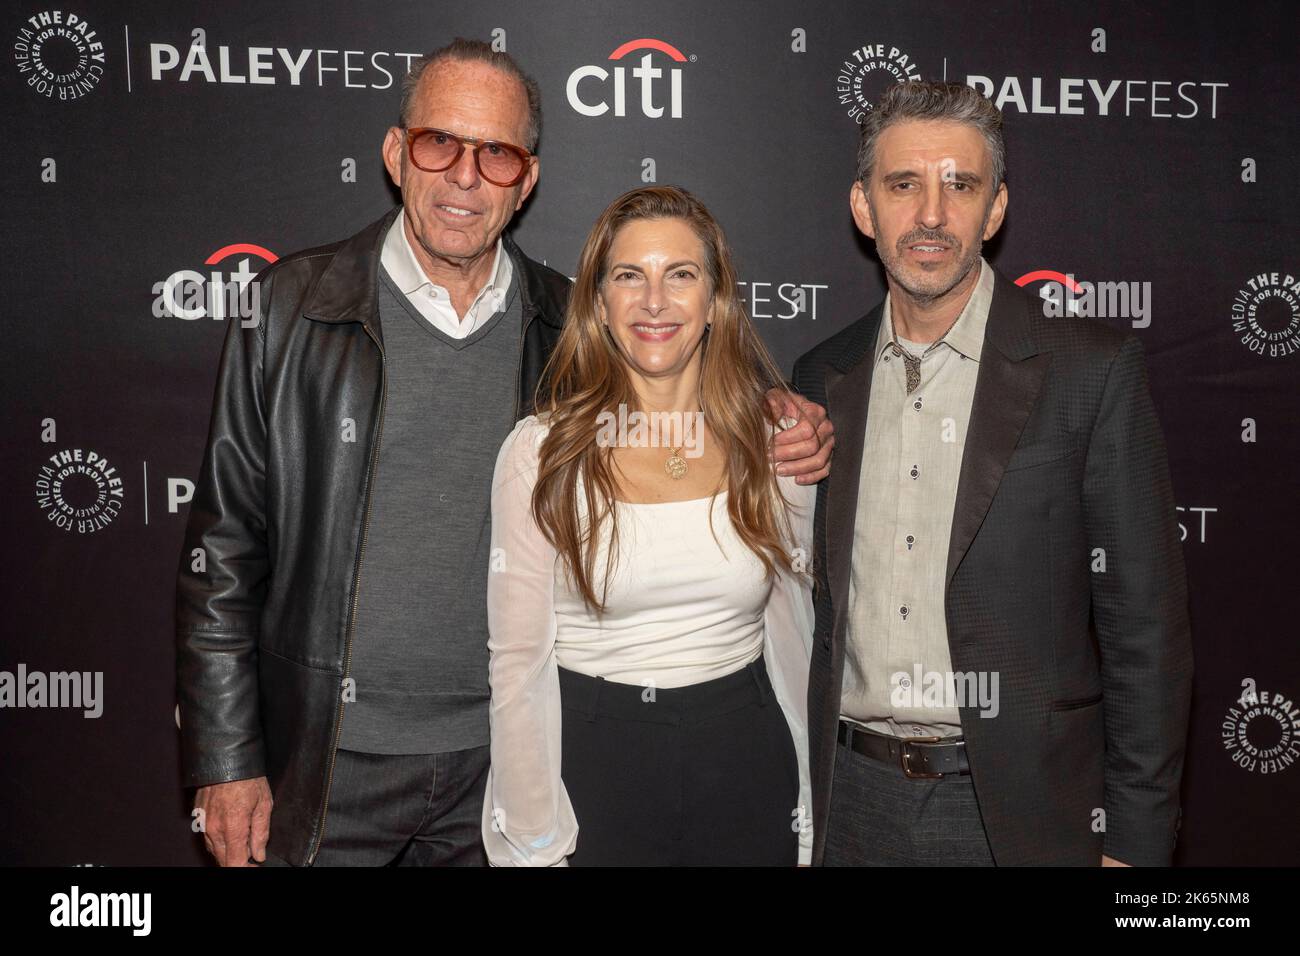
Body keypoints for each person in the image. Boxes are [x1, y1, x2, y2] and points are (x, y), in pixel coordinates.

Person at [175, 41, 834, 867]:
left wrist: (777, 413)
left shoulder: (567, 322)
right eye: (438, 142)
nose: (464, 176)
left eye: (497, 154)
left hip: (502, 758)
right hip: (330, 752)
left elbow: (686, 394)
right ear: (394, 153)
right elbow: (223, 551)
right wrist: (227, 759)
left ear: (526, 180)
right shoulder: (293, 308)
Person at [791, 81, 1193, 866]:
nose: (932, 214)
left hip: (1017, 811)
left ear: (995, 209)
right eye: (904, 185)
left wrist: (1136, 845)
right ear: (864, 207)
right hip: (851, 805)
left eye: (961, 185)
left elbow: (1146, 627)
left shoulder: (1089, 371)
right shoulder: (821, 376)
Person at [481, 186, 816, 866]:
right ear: (599, 305)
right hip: (596, 763)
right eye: (629, 276)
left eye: (680, 275)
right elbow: (517, 664)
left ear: (715, 303)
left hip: (747, 755)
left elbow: (795, 631)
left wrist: (809, 799)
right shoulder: (539, 454)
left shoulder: (774, 442)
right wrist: (533, 838)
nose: (654, 301)